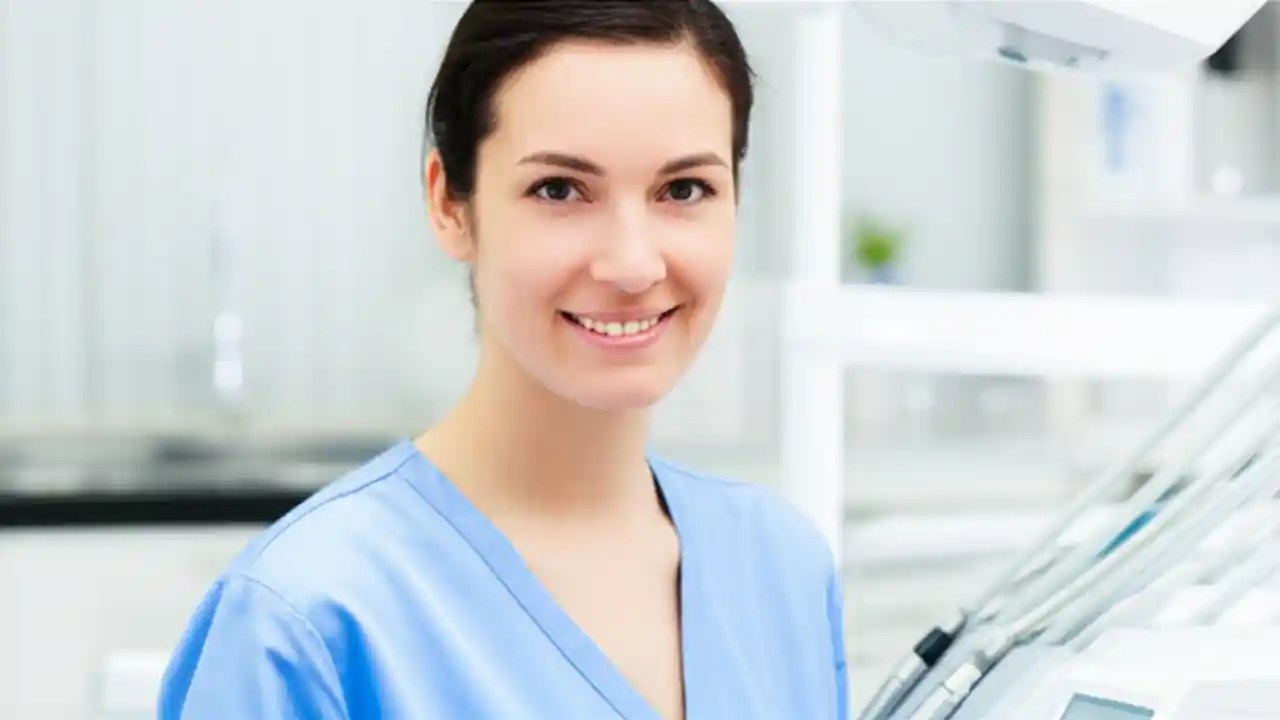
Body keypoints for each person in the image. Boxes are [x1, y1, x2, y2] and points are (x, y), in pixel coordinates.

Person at [157, 1, 847, 718]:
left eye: (684, 190)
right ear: (450, 204)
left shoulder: (780, 570)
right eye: (559, 190)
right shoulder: (310, 618)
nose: (633, 263)